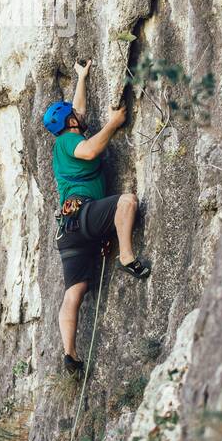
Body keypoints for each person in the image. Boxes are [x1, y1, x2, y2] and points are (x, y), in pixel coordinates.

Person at [43, 59, 150, 376]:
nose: (80, 116)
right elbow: (90, 151)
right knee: (127, 202)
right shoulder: (68, 141)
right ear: (70, 124)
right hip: (84, 214)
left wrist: (82, 77)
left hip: (70, 228)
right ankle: (127, 255)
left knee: (74, 292)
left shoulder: (64, 138)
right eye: (75, 117)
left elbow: (77, 111)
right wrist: (114, 124)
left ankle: (70, 354)